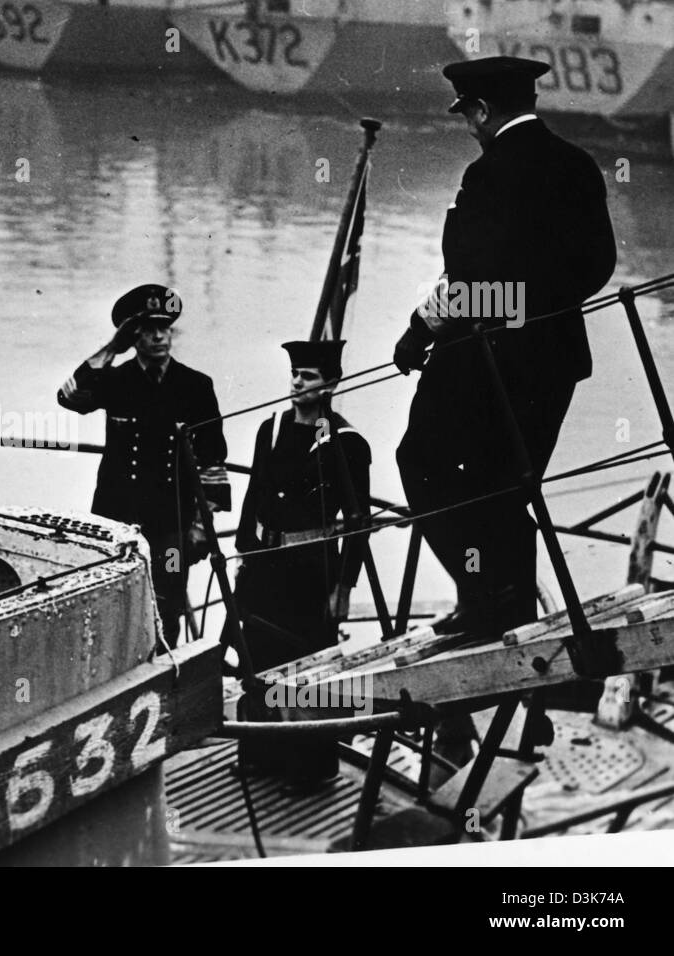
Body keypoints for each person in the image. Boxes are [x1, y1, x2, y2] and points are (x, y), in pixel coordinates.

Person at [393, 57, 616, 639]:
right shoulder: (580, 165)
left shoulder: (488, 175)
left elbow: (467, 284)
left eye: (469, 114)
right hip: (558, 360)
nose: (470, 126)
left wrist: (418, 333)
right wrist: (538, 306)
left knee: (423, 464)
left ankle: (483, 599)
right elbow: (598, 268)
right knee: (508, 487)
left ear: (484, 110)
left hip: (487, 362)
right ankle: (509, 606)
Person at [57, 284, 230, 649]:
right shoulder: (116, 380)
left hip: (172, 527)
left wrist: (200, 526)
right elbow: (68, 397)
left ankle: (167, 682)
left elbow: (213, 462)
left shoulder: (196, 386)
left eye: (164, 328)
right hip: (117, 521)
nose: (157, 336)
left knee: (167, 607)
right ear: (132, 336)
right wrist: (112, 349)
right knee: (112, 604)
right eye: (147, 329)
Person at [235, 340, 371, 673]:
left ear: (331, 384)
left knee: (307, 667)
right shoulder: (271, 430)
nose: (296, 382)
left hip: (311, 573)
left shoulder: (346, 442)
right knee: (253, 663)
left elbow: (360, 522)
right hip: (263, 568)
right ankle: (258, 721)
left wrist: (343, 589)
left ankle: (302, 726)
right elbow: (253, 498)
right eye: (294, 374)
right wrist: (242, 557)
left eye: (307, 376)